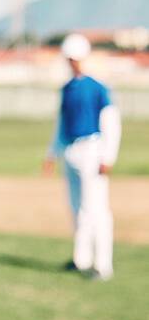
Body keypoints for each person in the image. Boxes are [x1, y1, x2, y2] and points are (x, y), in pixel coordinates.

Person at [42, 34, 122, 281]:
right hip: (71, 150)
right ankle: (82, 259)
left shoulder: (97, 88)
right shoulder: (67, 89)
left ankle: (102, 264)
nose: (72, 62)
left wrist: (108, 156)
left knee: (95, 208)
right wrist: (52, 153)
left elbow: (111, 123)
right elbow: (61, 123)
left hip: (92, 150)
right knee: (76, 207)